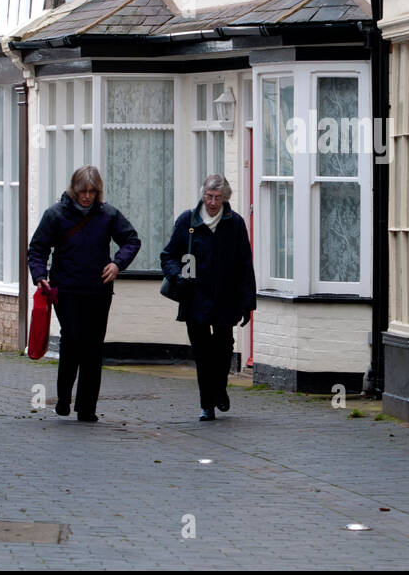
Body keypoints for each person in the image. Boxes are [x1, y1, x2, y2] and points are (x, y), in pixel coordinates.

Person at [28, 166, 140, 423]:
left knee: (93, 347)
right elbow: (37, 248)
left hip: (98, 289)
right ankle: (64, 398)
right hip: (65, 289)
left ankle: (87, 407)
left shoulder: (108, 215)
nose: (87, 196)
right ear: (74, 190)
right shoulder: (55, 215)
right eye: (83, 191)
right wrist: (39, 275)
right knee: (72, 340)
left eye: (92, 191)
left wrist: (117, 264)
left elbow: (131, 240)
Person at [160, 174, 255, 421]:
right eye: (208, 196)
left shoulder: (234, 223)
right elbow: (168, 255)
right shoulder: (187, 221)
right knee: (202, 352)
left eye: (218, 198)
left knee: (224, 347)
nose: (212, 202)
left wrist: (247, 303)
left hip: (226, 296)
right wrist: (177, 276)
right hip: (195, 296)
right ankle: (207, 404)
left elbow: (245, 264)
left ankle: (220, 388)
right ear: (202, 195)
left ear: (225, 199)